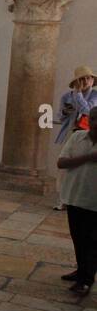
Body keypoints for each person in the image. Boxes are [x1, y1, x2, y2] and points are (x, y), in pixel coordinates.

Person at [57, 117, 97, 296]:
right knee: (78, 238)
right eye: (93, 118)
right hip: (75, 197)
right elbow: (62, 162)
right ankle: (81, 271)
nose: (95, 122)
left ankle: (86, 279)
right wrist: (89, 157)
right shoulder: (77, 137)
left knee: (93, 242)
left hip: (94, 201)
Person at [54, 66, 95, 211]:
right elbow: (61, 115)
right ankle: (62, 199)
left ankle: (81, 199)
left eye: (88, 78)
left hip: (88, 135)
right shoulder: (66, 96)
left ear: (92, 80)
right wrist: (66, 111)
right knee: (64, 167)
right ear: (76, 81)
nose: (85, 81)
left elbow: (88, 112)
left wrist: (78, 95)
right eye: (81, 78)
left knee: (84, 168)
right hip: (70, 133)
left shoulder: (95, 96)